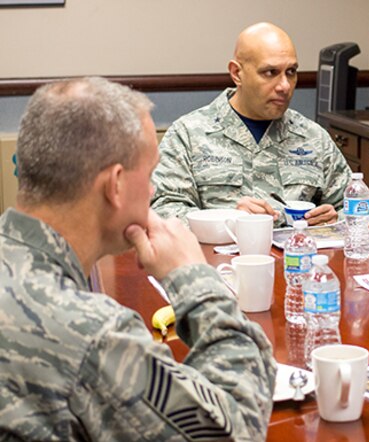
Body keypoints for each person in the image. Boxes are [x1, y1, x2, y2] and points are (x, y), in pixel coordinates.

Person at [0, 77, 276, 439]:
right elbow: (234, 429)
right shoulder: (93, 334)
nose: (153, 190)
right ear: (115, 185)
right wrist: (194, 279)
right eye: (149, 174)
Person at [151, 22, 351, 226]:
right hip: (219, 256)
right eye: (270, 72)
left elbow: (359, 208)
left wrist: (334, 222)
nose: (284, 86)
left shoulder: (313, 137)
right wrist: (228, 220)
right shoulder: (189, 135)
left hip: (298, 255)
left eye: (291, 72)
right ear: (237, 73)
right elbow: (162, 210)